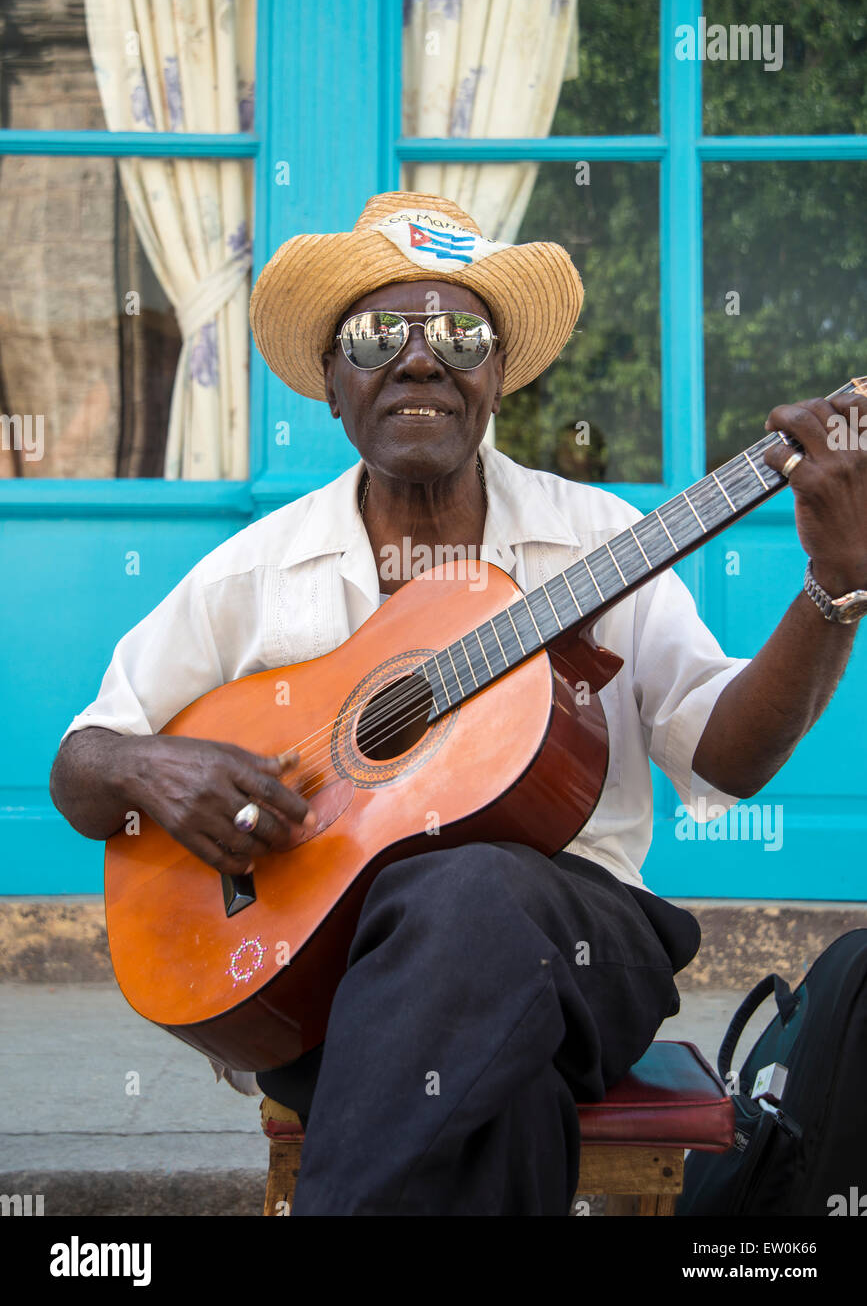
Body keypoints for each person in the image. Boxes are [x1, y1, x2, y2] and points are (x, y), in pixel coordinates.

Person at [49, 191, 867, 1216]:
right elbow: (82, 765)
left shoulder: (597, 542)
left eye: (460, 333)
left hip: (582, 954)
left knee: (466, 889)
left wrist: (833, 591)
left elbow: (726, 758)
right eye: (379, 332)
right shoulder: (251, 576)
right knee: (497, 1101)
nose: (422, 356)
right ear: (332, 384)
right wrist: (152, 768)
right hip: (330, 984)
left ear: (495, 380)